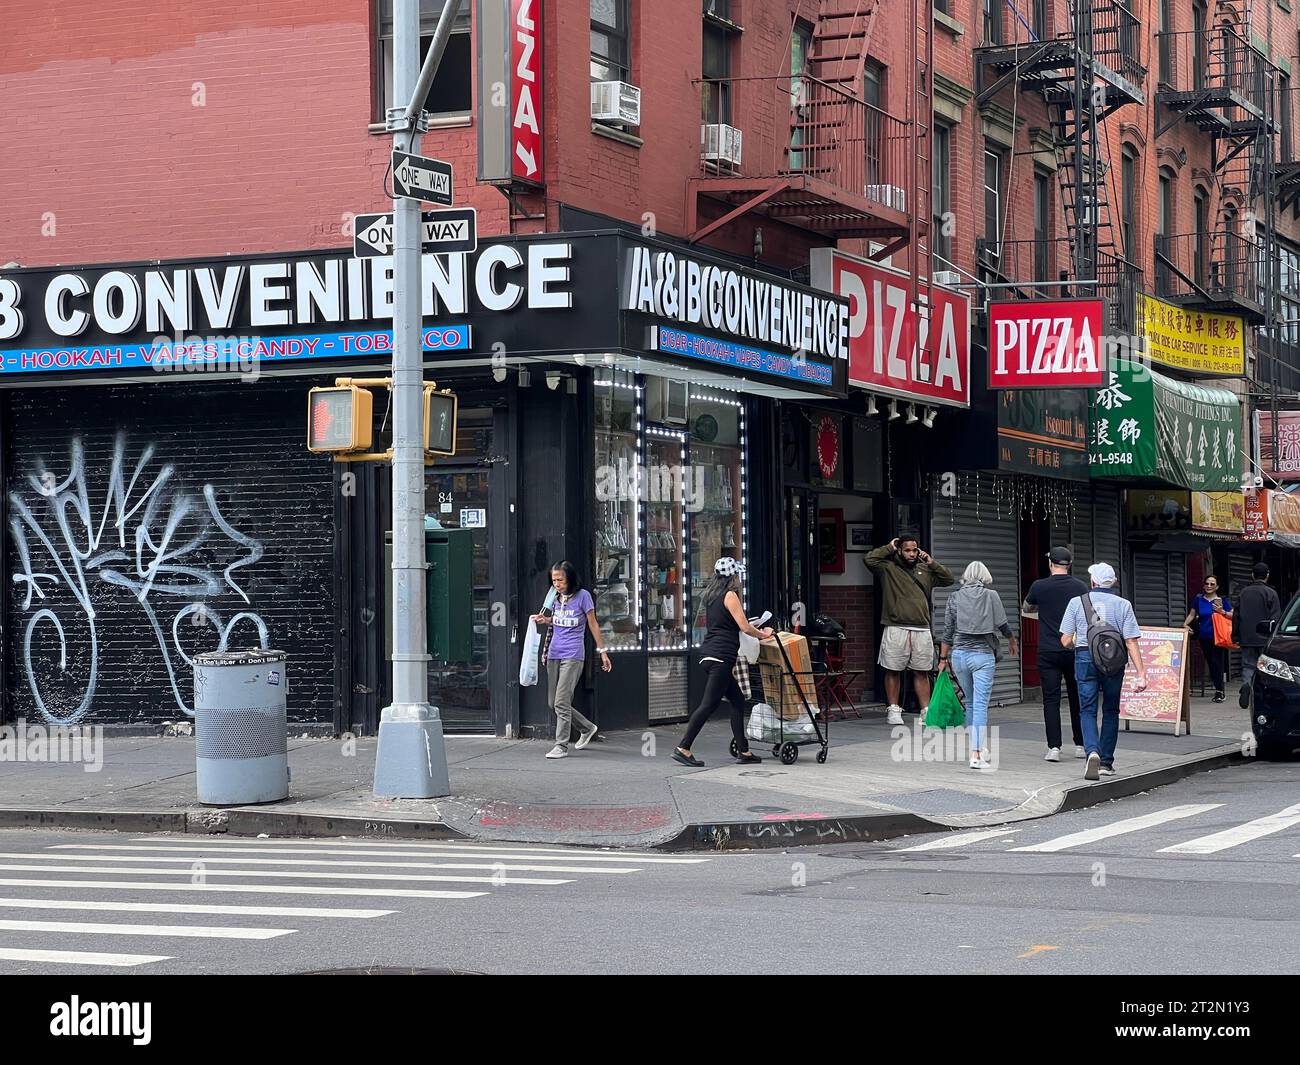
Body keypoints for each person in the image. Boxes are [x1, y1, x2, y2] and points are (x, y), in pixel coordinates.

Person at [674, 557, 774, 767]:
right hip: (720, 657)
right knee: (708, 705)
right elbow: (744, 627)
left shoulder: (711, 595)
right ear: (732, 576)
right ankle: (683, 747)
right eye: (737, 574)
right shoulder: (730, 595)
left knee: (737, 700)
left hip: (711, 654)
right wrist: (763, 635)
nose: (739, 578)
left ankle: (744, 751)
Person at [1059, 563, 1148, 781]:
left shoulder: (1076, 602)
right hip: (1114, 662)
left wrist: (1075, 646)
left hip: (1084, 657)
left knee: (1087, 709)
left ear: (1093, 581)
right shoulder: (1124, 604)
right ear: (1112, 582)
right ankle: (1106, 763)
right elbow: (1131, 641)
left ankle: (1092, 752)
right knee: (1110, 709)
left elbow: (1065, 639)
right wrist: (1141, 672)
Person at [864, 535, 955, 725]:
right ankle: (893, 709)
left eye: (914, 550)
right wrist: (889, 547)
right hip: (896, 626)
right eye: (907, 550)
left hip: (922, 627)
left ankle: (925, 711)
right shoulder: (888, 568)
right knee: (893, 669)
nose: (911, 554)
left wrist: (931, 561)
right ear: (899, 550)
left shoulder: (925, 569)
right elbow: (869, 559)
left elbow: (949, 579)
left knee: (922, 671)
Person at [939, 561, 1019, 770]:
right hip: (982, 656)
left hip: (959, 656)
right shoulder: (991, 596)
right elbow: (1002, 624)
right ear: (985, 577)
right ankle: (975, 754)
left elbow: (947, 631)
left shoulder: (954, 597)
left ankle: (978, 748)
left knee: (972, 704)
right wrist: (1011, 640)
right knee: (981, 705)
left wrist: (942, 659)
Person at [531, 560, 611, 759]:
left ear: (571, 579)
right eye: (554, 580)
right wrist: (545, 620)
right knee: (553, 703)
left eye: (561, 580)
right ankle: (586, 727)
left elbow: (593, 624)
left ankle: (561, 745)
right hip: (553, 653)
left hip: (573, 655)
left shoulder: (583, 597)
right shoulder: (555, 597)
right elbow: (558, 621)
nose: (557, 584)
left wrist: (603, 652)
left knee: (561, 701)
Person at [1023, 547, 1089, 762]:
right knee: (1076, 697)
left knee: (1051, 700)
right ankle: (1080, 745)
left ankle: (1054, 748)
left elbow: (1026, 608)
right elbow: (1089, 614)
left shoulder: (1039, 586)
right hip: (1073, 648)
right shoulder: (1080, 586)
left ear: (1050, 563)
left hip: (1048, 649)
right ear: (1068, 565)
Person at [1235, 562, 1282, 708]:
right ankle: (1262, 693)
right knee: (1266, 667)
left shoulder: (1243, 592)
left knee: (1248, 665)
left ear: (1252, 575)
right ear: (1267, 575)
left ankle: (1247, 684)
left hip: (1246, 637)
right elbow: (1276, 618)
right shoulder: (1271, 593)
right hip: (1265, 638)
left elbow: (1236, 616)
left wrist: (1235, 636)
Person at [1183, 575, 1232, 703]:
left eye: (1212, 584)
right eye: (1207, 583)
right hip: (1204, 637)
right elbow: (1192, 614)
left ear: (1217, 586)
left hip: (1218, 636)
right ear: (1204, 585)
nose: (1209, 586)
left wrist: (1222, 612)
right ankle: (1218, 688)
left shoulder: (1222, 600)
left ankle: (1220, 691)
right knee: (1210, 663)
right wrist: (1185, 624)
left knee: (1217, 663)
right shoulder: (1199, 600)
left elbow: (1233, 615)